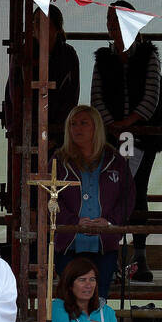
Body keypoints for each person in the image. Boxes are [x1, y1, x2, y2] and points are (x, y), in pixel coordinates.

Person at [91, 0, 162, 283]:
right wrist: (111, 125)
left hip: (143, 136)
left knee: (139, 192)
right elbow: (96, 96)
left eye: (119, 19)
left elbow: (151, 97)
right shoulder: (103, 57)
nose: (113, 25)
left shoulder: (149, 55)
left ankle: (140, 254)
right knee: (109, 193)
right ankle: (110, 252)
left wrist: (128, 122)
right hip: (110, 138)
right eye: (110, 19)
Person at [53, 104, 134, 302]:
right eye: (73, 124)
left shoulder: (115, 159)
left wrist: (109, 222)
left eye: (83, 123)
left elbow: (128, 196)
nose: (77, 128)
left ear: (96, 127)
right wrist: (74, 222)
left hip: (104, 244)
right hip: (69, 244)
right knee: (70, 301)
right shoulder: (59, 160)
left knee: (99, 299)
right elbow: (50, 196)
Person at [50, 256, 121, 322]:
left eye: (92, 280)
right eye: (82, 280)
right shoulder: (58, 306)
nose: (88, 285)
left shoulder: (107, 312)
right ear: (69, 285)